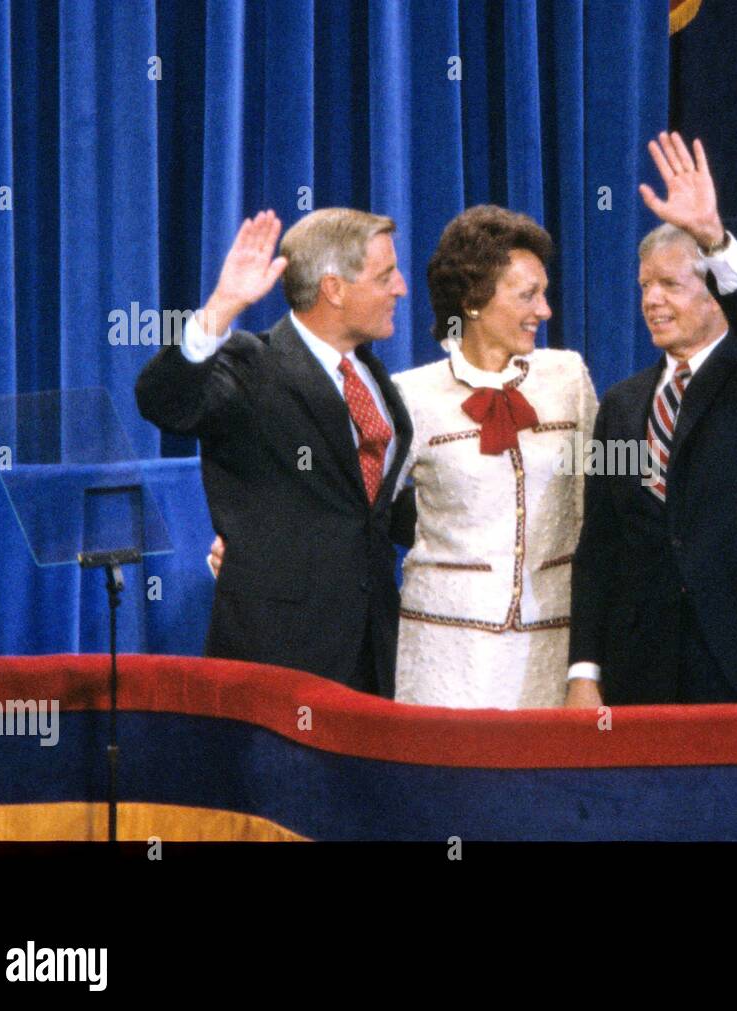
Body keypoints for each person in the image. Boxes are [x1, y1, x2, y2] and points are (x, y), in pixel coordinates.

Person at [565, 132, 737, 708]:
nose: (651, 300)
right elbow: (602, 544)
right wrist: (584, 671)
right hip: (643, 664)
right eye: (644, 286)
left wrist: (714, 239)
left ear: (716, 295)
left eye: (669, 284)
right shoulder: (620, 404)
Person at [136, 209, 416, 695]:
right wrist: (221, 308)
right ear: (334, 288)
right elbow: (163, 400)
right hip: (280, 660)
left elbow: (370, 509)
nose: (402, 288)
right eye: (386, 275)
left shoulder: (372, 377)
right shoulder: (253, 367)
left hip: (374, 656)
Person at [389, 205, 598, 707]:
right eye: (528, 295)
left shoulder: (567, 378)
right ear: (474, 301)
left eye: (543, 293)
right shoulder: (410, 395)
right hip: (444, 655)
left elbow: (602, 509)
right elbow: (351, 507)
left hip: (551, 647)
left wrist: (589, 665)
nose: (545, 310)